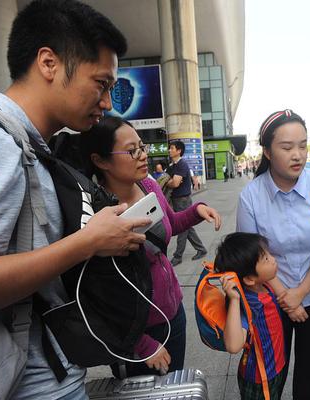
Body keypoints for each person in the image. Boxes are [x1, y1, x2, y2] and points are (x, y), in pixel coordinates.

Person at [0, 1, 151, 398]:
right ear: (49, 63)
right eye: (101, 83)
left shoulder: (26, 146)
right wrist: (88, 242)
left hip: (41, 371)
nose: (108, 102)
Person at [80, 116, 221, 377]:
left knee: (173, 385)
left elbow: (170, 223)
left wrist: (197, 210)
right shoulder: (96, 213)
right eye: (132, 151)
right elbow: (99, 293)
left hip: (173, 312)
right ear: (100, 161)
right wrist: (140, 344)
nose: (143, 155)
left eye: (142, 147)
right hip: (136, 332)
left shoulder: (148, 185)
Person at [236, 109, 310, 400]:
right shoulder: (251, 196)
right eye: (287, 147)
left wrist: (301, 292)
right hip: (270, 299)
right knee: (272, 369)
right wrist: (286, 299)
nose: (298, 155)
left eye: (303, 145)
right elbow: (252, 255)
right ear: (267, 151)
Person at [215, 232, 287, 400]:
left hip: (275, 368)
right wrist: (233, 299)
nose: (273, 259)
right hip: (259, 378)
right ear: (248, 279)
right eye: (266, 259)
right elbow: (233, 346)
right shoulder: (247, 304)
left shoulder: (264, 286)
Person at [166, 140, 208, 266]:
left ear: (179, 151)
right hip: (176, 200)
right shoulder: (172, 166)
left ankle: (177, 256)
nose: (169, 150)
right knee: (187, 226)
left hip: (183, 200)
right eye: (169, 148)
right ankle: (201, 249)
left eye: (172, 148)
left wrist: (168, 182)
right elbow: (165, 179)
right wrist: (169, 181)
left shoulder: (182, 165)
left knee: (182, 227)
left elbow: (174, 183)